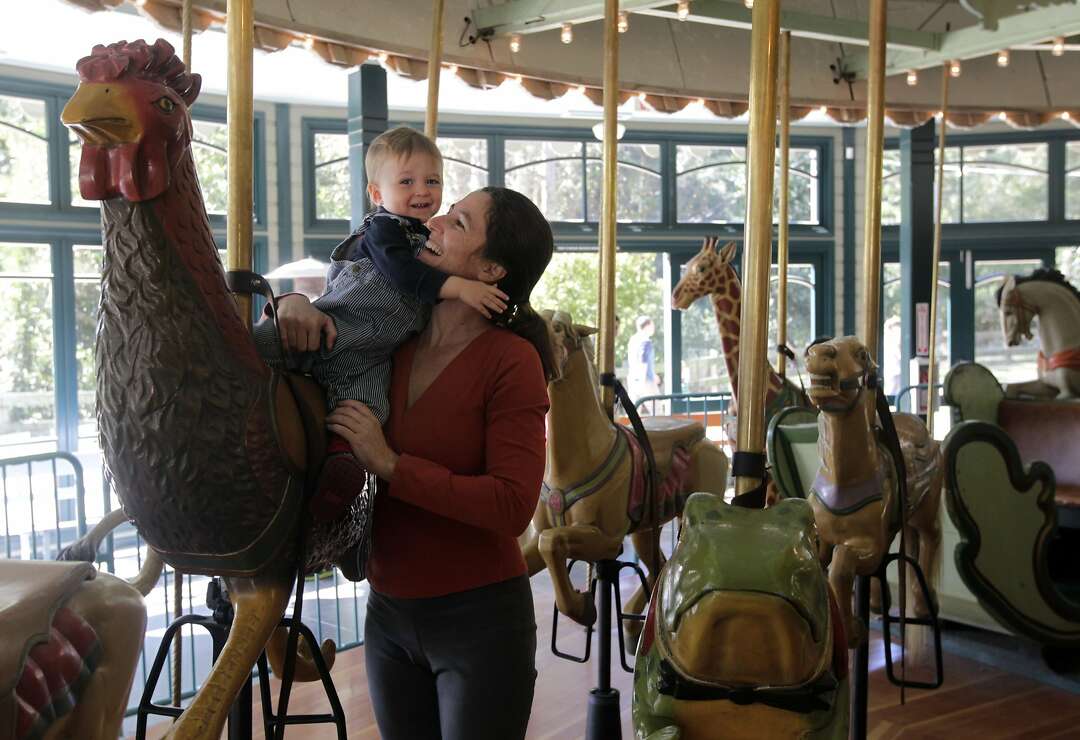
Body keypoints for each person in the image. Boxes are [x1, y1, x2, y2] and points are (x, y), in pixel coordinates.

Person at [273, 186, 556, 740]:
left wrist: (390, 464)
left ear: (492, 269)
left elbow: (512, 505)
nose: (439, 218)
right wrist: (292, 306)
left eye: (461, 221)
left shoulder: (510, 362)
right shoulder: (395, 338)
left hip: (478, 617)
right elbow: (320, 345)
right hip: (388, 612)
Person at [255, 127, 506, 521]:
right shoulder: (384, 230)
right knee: (258, 345)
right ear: (377, 195)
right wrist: (459, 287)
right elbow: (403, 274)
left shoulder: (426, 238)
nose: (423, 190)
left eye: (432, 181)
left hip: (368, 358)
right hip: (330, 328)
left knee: (368, 413)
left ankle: (343, 472)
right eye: (407, 181)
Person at [627, 315, 659, 403]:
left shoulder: (633, 340)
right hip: (645, 381)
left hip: (633, 379)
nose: (653, 328)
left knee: (634, 412)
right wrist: (644, 380)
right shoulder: (645, 341)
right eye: (652, 325)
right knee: (657, 411)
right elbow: (643, 361)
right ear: (647, 326)